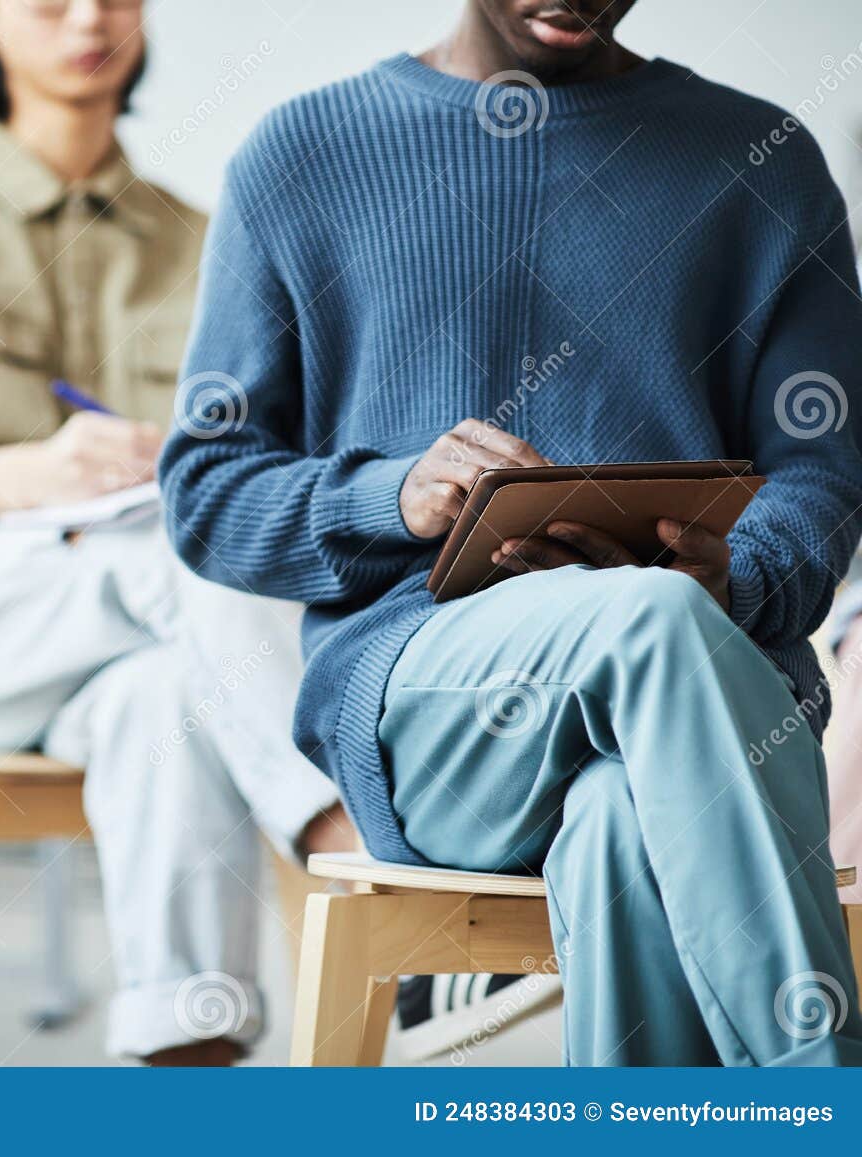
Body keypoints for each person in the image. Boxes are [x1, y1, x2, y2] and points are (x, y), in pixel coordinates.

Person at [161, 0, 862, 1066]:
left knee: (624, 818)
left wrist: (738, 576)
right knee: (649, 616)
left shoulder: (760, 161)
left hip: (709, 703)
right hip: (435, 713)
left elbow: (823, 469)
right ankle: (821, 1091)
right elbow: (206, 491)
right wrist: (392, 497)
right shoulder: (303, 155)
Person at [0, 0, 356, 1066]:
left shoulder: (200, 239)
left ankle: (186, 1034)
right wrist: (3, 476)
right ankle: (358, 844)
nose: (89, 19)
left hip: (138, 632)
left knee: (165, 694)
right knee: (181, 553)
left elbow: (272, 460)